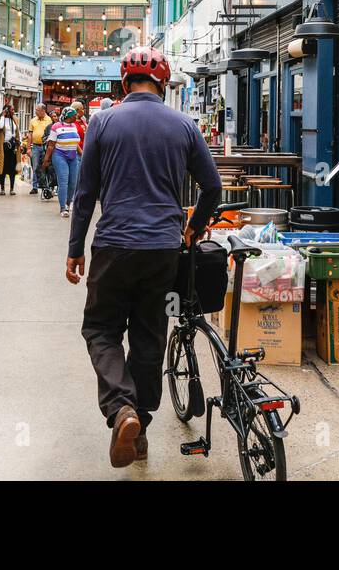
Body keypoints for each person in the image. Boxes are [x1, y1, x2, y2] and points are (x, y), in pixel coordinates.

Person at [65, 47, 222, 469]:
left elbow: (85, 193)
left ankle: (122, 410)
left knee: (101, 328)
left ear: (123, 82)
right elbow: (212, 187)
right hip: (164, 251)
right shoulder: (184, 125)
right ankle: (141, 430)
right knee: (150, 334)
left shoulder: (102, 122)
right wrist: (194, 227)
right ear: (164, 83)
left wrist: (75, 247)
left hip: (114, 246)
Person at [41, 106, 82, 218]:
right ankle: (63, 208)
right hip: (60, 156)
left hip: (73, 156)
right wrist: (46, 160)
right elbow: (51, 145)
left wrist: (82, 154)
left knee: (73, 182)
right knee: (63, 181)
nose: (76, 116)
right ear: (68, 116)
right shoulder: (56, 127)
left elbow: (75, 142)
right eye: (74, 114)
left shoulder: (74, 126)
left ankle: (68, 204)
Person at [0, 104, 20, 195]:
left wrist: (17, 141)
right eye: (12, 109)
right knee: (3, 168)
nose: (13, 111)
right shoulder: (0, 119)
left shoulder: (15, 119)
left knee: (13, 169)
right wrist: (3, 115)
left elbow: (17, 131)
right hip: (3, 147)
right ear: (7, 110)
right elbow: (0, 126)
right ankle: (2, 189)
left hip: (13, 147)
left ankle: (12, 189)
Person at [27, 104, 52, 198]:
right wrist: (28, 148)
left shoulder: (49, 120)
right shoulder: (33, 120)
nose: (35, 111)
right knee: (35, 166)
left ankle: (46, 187)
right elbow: (30, 135)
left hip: (46, 147)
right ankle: (35, 186)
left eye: (37, 110)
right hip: (36, 147)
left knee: (46, 167)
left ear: (43, 111)